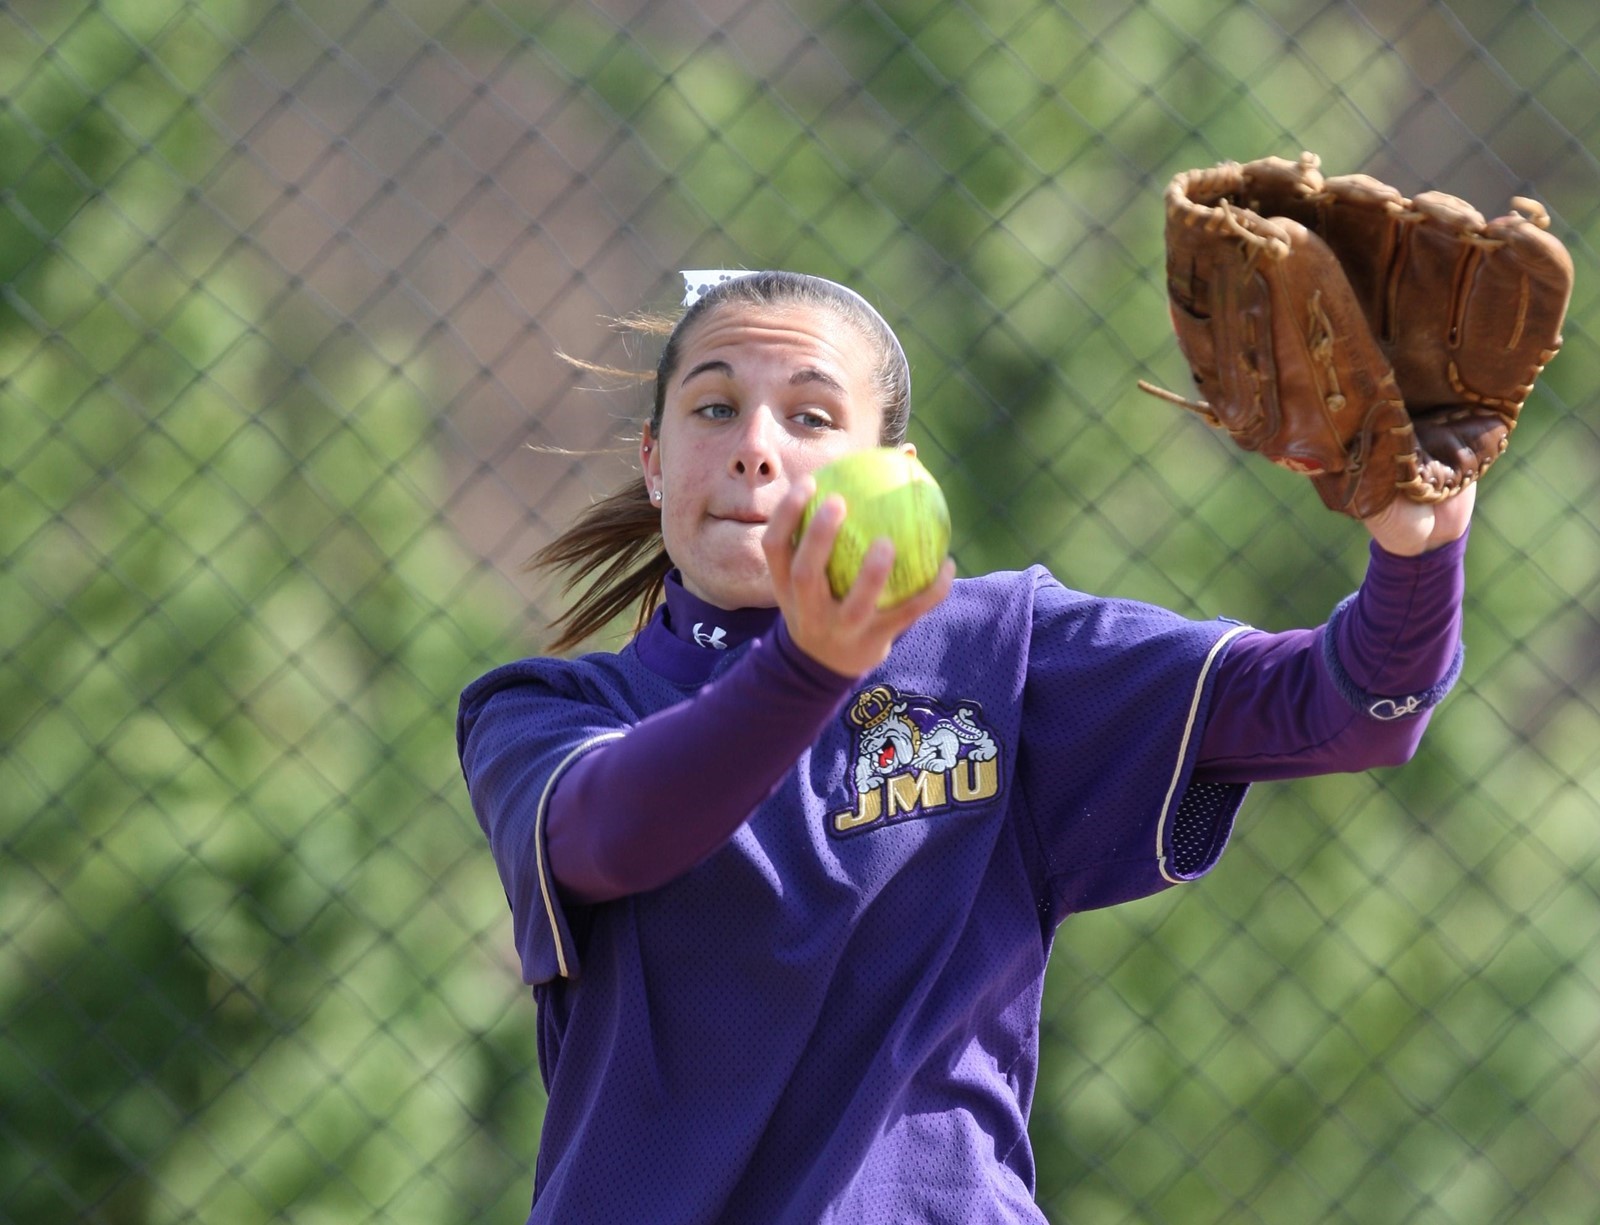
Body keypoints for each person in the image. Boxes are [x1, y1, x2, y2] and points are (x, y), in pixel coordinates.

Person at [456, 270, 1469, 1223]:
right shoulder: (548, 710)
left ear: (890, 473)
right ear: (653, 457)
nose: (756, 444)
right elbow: (616, 832)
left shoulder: (995, 651)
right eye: (713, 408)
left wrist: (1417, 548)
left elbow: (1354, 706)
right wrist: (813, 663)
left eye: (811, 415)